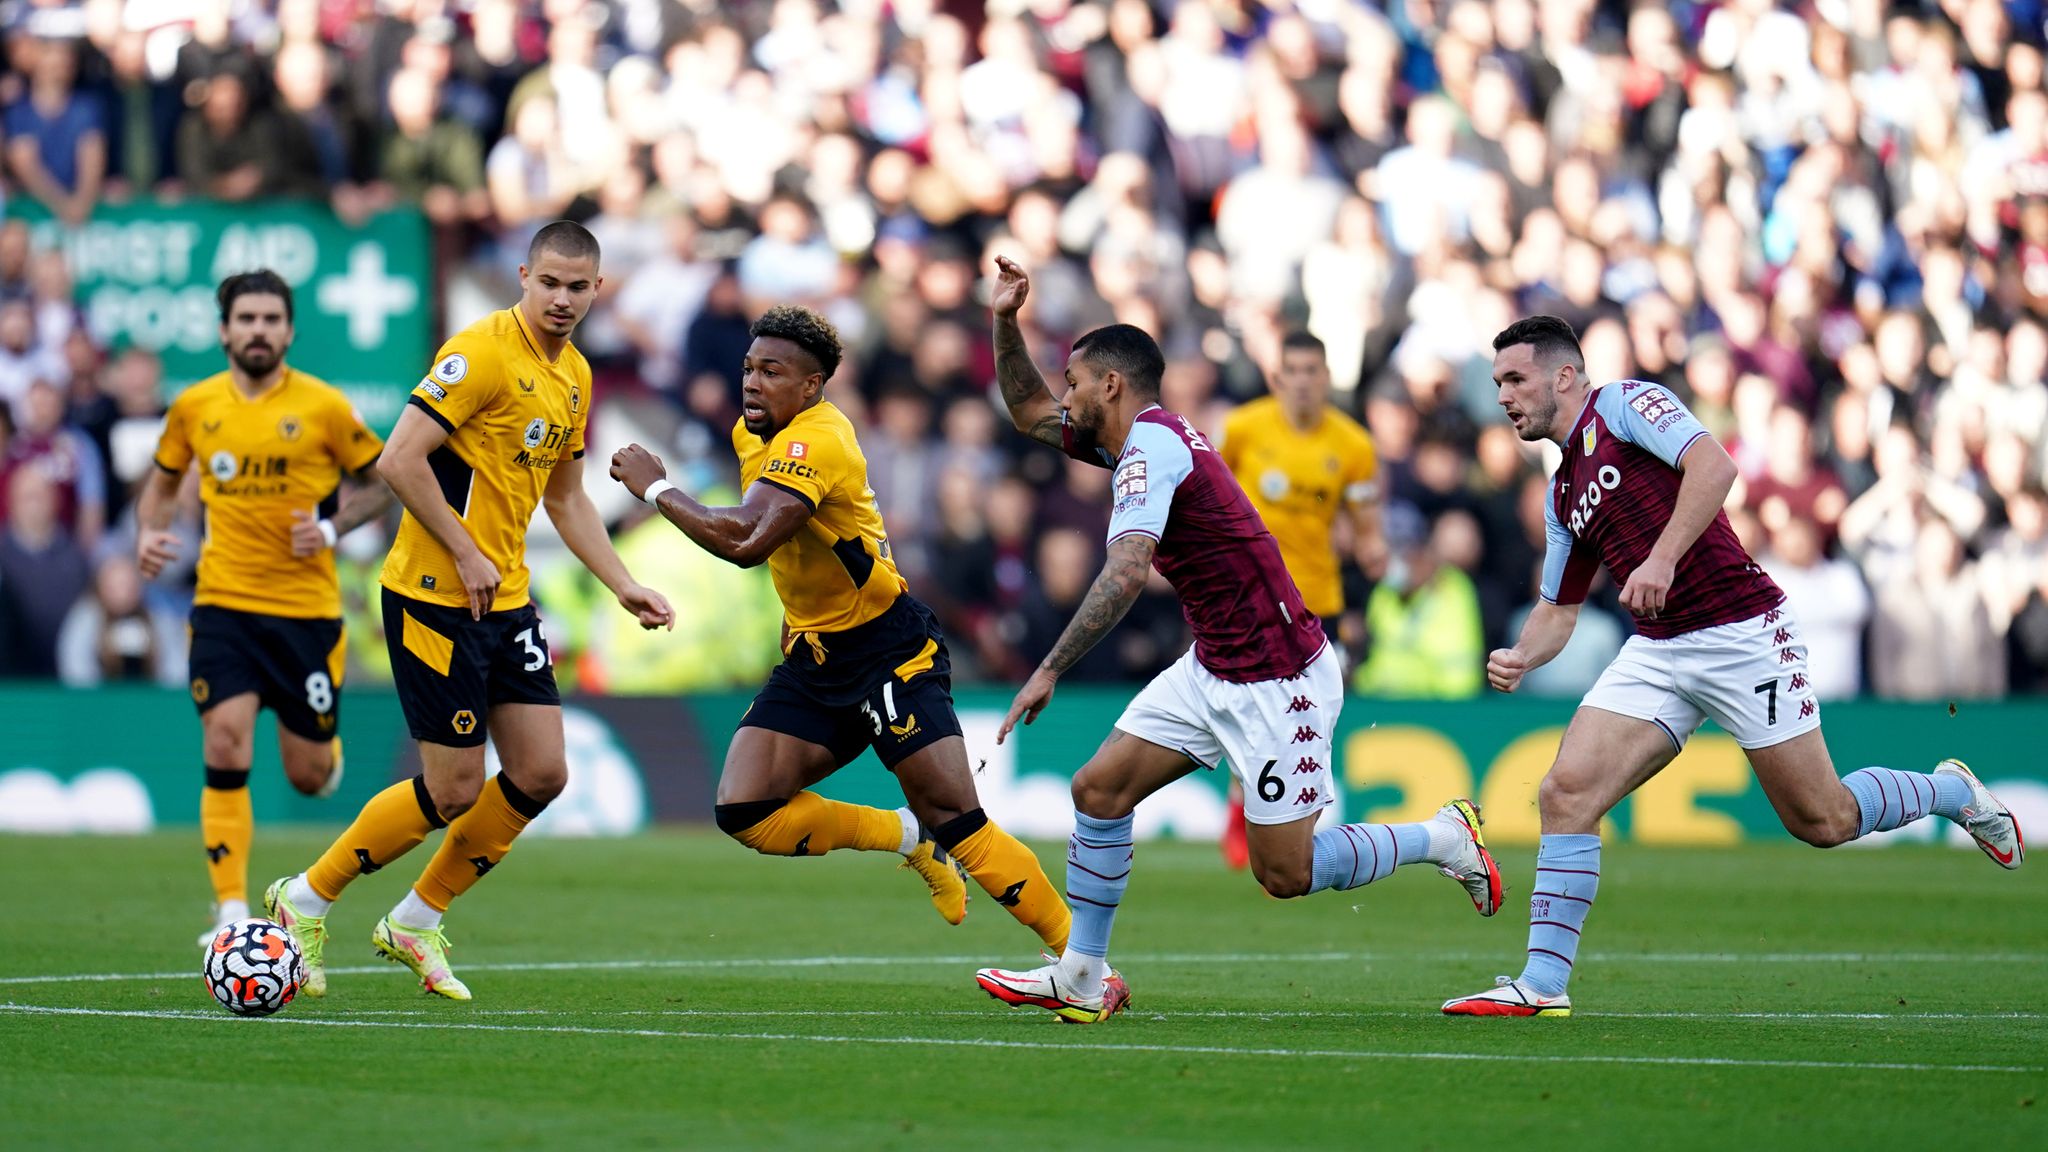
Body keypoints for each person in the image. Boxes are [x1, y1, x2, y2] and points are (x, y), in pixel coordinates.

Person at [1442, 316, 2025, 1019]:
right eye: (1499, 381)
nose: (1502, 395)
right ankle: (1541, 983)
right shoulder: (1563, 492)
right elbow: (1558, 611)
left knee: (1823, 819)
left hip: (1742, 630)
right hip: (1659, 648)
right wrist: (1520, 656)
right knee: (1565, 793)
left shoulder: (1625, 403)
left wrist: (1661, 556)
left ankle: (1950, 793)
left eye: (1514, 378)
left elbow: (1715, 465)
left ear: (1564, 375)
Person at [972, 257, 1502, 1024]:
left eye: (1077, 381)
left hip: (1278, 677)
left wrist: (1048, 669)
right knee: (1098, 790)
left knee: (1283, 875)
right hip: (1216, 664)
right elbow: (1026, 412)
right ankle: (1083, 974)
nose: (1067, 394)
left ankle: (1444, 838)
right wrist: (1003, 321)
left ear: (1112, 386)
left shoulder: (1151, 450)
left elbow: (1125, 574)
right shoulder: (1133, 440)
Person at [263, 222, 674, 1000]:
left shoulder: (576, 377)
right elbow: (398, 459)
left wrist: (622, 583)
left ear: (597, 291)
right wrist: (463, 548)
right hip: (432, 594)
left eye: (576, 287)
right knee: (451, 790)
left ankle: (417, 918)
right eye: (548, 282)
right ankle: (304, 899)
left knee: (543, 772)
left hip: (505, 599)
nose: (560, 299)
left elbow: (566, 498)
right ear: (523, 275)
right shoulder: (480, 351)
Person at [606, 304, 1074, 962]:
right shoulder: (752, 433)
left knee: (960, 818)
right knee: (744, 809)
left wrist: (657, 490)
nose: (752, 382)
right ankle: (910, 838)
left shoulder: (818, 438)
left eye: (772, 371)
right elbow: (799, 544)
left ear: (812, 386)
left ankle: (1082, 962)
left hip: (888, 651)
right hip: (818, 654)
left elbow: (746, 539)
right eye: (748, 368)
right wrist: (793, 615)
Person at [134, 269, 392, 945]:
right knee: (224, 740)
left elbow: (383, 483)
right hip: (223, 605)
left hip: (306, 613)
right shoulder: (195, 406)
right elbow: (159, 486)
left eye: (271, 319)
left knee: (308, 778)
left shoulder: (325, 406)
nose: (258, 330)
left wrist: (333, 529)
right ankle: (228, 911)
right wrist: (148, 533)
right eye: (246, 319)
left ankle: (325, 751)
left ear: (290, 331)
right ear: (224, 330)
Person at [1213, 330, 1385, 869]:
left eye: (1315, 371)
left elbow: (1367, 530)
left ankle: (1287, 816)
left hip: (1317, 600)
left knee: (1308, 717)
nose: (1305, 382)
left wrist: (1375, 555)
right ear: (1277, 377)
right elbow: (1207, 494)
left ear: (1327, 378)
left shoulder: (1353, 446)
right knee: (1248, 713)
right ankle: (1245, 808)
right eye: (1295, 371)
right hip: (1244, 597)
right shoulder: (1243, 430)